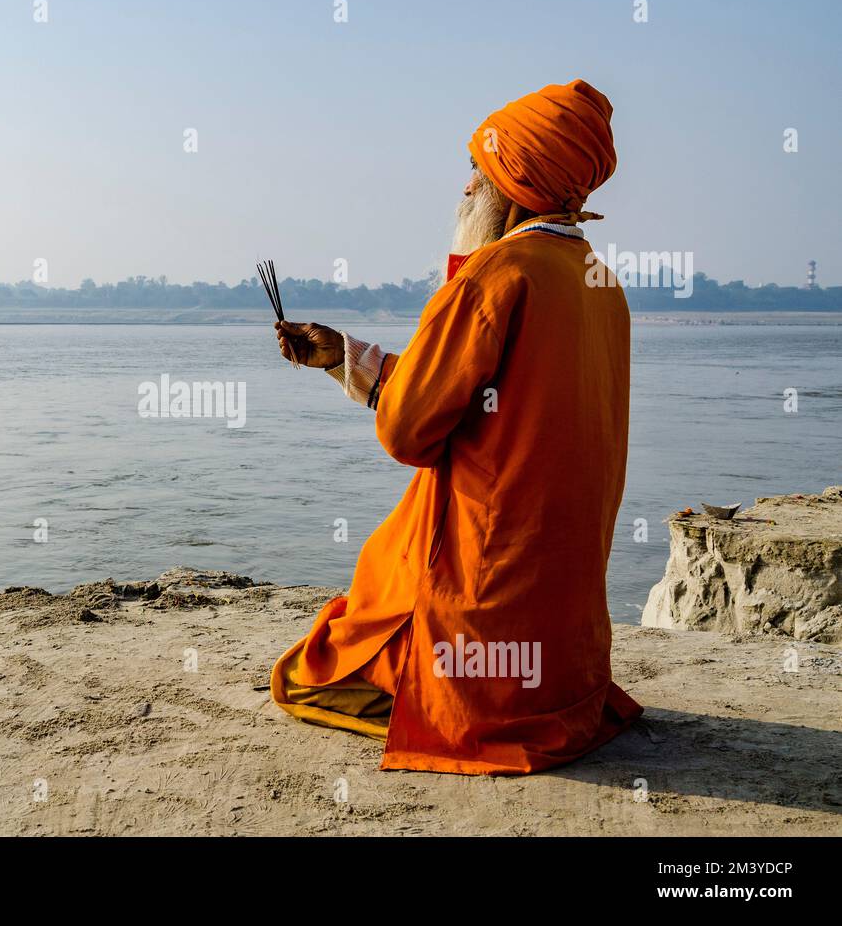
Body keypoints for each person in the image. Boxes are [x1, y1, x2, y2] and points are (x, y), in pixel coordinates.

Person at [271, 79, 642, 774]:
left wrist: (395, 355)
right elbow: (488, 393)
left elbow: (409, 432)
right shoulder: (598, 278)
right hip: (563, 648)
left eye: (480, 171)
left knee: (306, 673)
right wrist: (341, 357)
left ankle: (446, 700)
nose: (466, 189)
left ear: (514, 183)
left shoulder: (493, 276)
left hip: (483, 599)